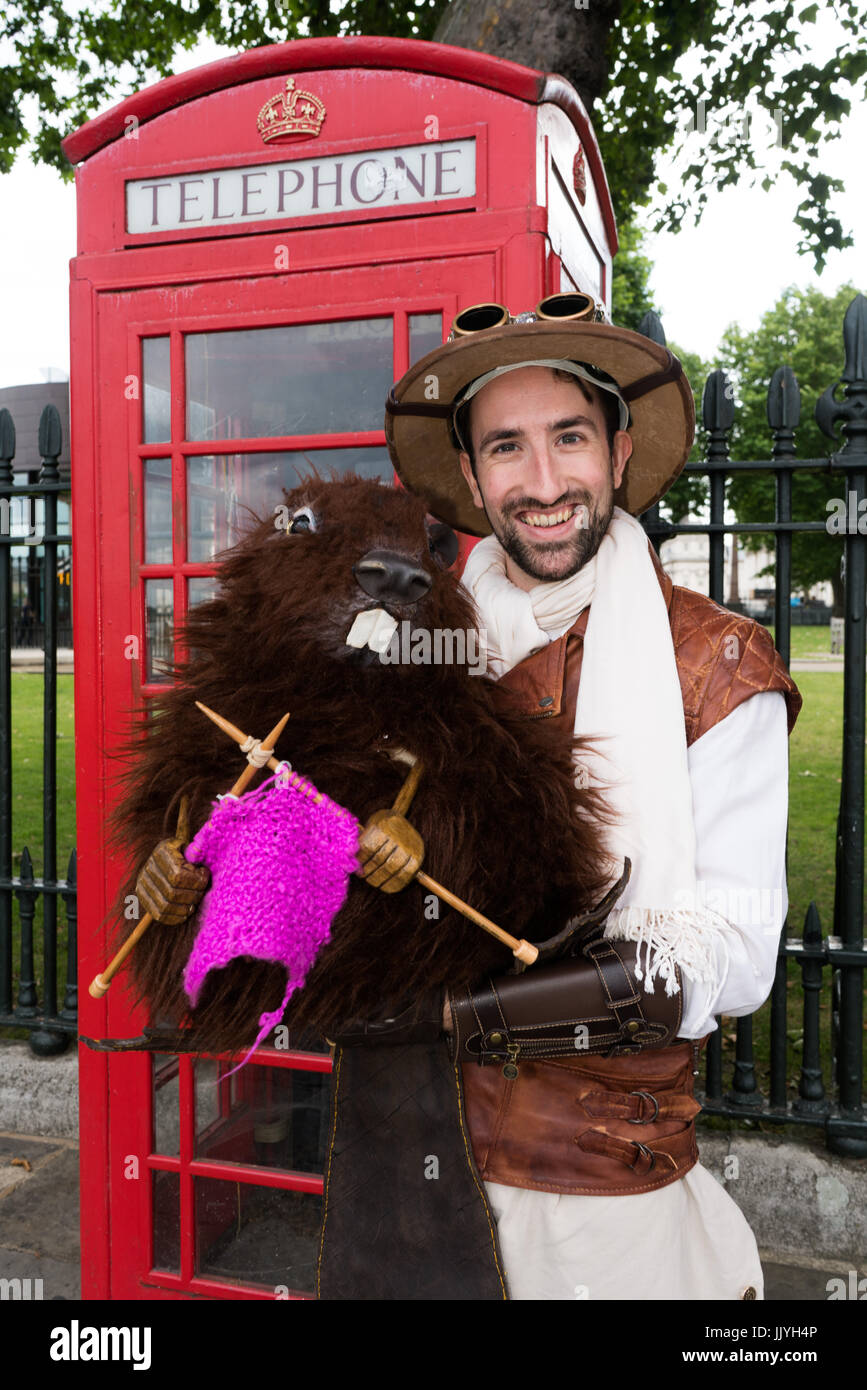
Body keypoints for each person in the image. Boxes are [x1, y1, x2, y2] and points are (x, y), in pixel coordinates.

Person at [379, 291, 802, 1300]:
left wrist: (467, 1009)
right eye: (507, 448)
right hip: (419, 1170)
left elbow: (734, 959)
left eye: (568, 438)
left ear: (616, 455)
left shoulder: (718, 668)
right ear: (475, 479)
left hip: (609, 1197)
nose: (542, 482)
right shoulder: (430, 655)